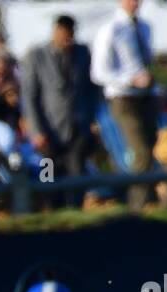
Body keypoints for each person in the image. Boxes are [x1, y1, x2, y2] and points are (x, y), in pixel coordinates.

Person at [22, 14, 96, 207]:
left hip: (76, 127)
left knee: (77, 170)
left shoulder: (82, 53)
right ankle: (51, 207)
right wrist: (37, 131)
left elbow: (91, 89)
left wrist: (89, 120)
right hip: (48, 129)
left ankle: (75, 207)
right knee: (48, 172)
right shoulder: (37, 56)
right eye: (63, 33)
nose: (67, 39)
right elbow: (30, 96)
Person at [92, 0, 156, 209]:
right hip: (123, 98)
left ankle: (147, 201)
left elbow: (145, 62)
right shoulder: (111, 29)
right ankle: (137, 206)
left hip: (145, 97)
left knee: (151, 146)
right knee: (140, 152)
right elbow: (99, 73)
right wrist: (129, 80)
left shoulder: (144, 27)